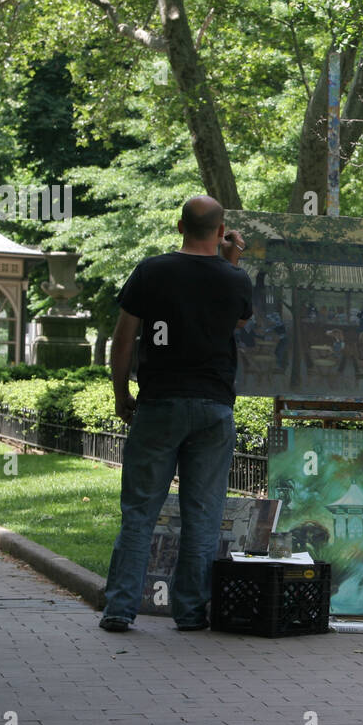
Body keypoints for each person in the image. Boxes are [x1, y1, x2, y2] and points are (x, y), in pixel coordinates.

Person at [99, 196, 252, 632]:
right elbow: (236, 321)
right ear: (221, 232)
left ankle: (120, 607)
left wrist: (120, 391)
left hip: (160, 404)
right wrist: (232, 259)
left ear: (179, 225)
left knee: (140, 511)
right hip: (214, 408)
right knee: (203, 514)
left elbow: (124, 340)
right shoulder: (235, 279)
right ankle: (189, 612)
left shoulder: (151, 272)